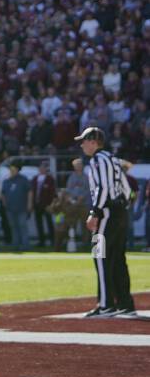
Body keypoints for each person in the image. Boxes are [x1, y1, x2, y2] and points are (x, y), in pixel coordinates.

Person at [77, 127, 135, 317]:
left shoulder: (97, 160)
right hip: (119, 212)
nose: (82, 145)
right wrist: (123, 207)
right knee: (118, 257)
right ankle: (125, 303)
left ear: (93, 142)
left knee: (99, 255)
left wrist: (95, 212)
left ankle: (105, 304)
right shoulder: (113, 159)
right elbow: (126, 189)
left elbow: (103, 188)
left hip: (107, 213)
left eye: (84, 141)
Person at [2, 162, 31, 251]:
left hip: (22, 207)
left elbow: (30, 192)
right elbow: (2, 193)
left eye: (13, 169)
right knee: (13, 227)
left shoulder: (23, 179)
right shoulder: (6, 180)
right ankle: (15, 245)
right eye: (10, 169)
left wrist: (30, 204)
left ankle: (25, 245)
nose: (11, 171)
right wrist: (4, 203)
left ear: (18, 170)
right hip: (10, 208)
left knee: (22, 226)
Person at [32, 160, 57, 251]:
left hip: (47, 205)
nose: (42, 169)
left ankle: (52, 240)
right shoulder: (35, 178)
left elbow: (53, 193)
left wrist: (51, 205)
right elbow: (32, 193)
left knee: (49, 223)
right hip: (37, 205)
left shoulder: (50, 179)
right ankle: (41, 240)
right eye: (40, 167)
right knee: (39, 224)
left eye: (43, 167)